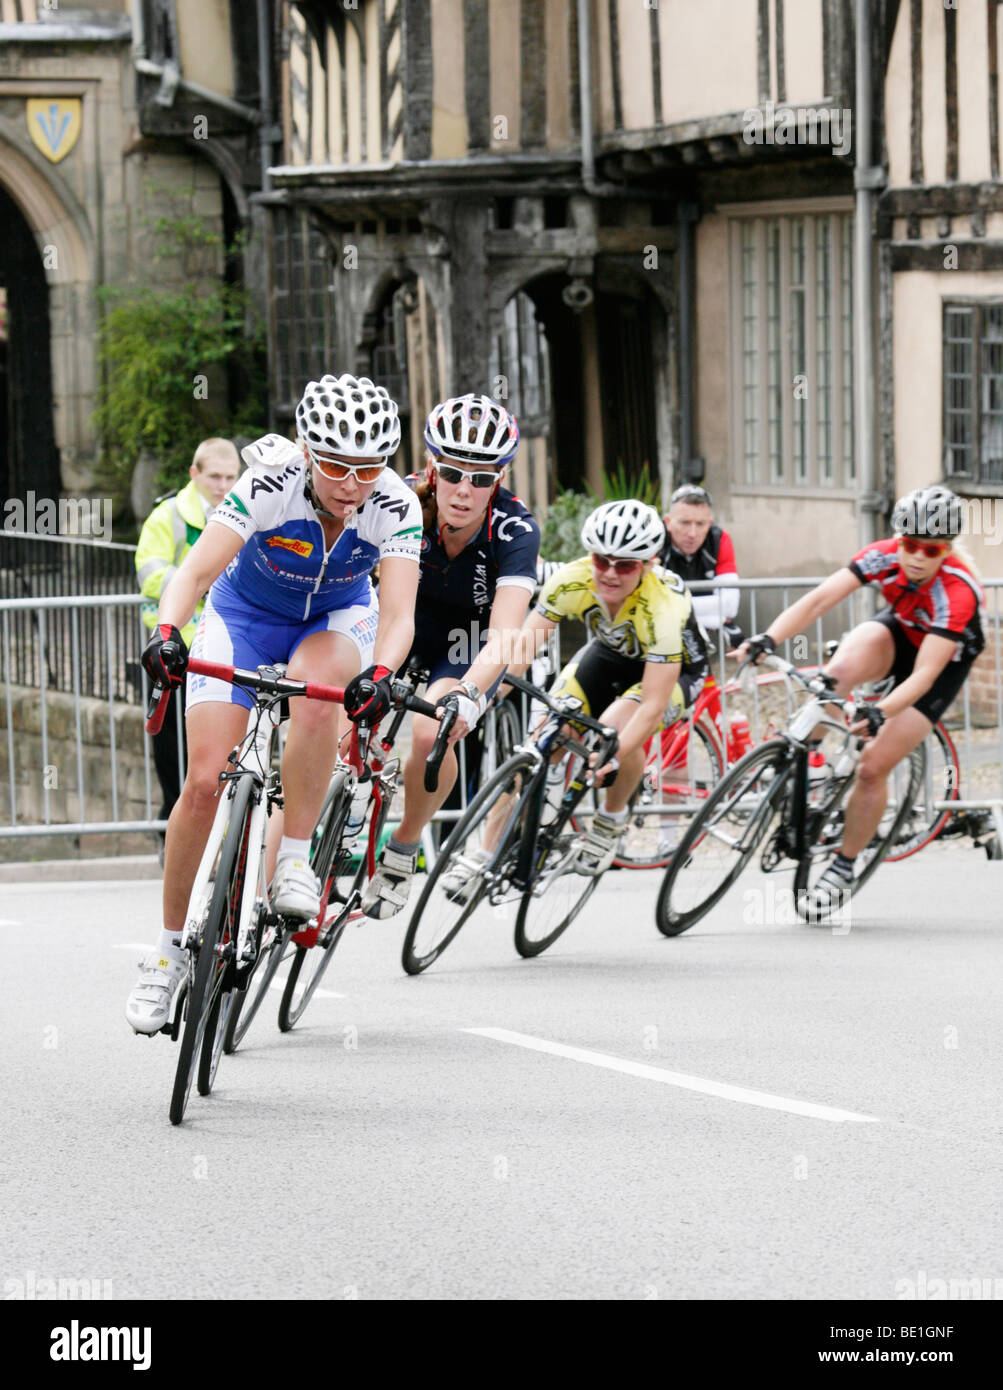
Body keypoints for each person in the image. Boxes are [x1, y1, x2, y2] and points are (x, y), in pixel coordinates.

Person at [125, 374, 422, 1033]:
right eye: (336, 466)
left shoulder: (396, 503)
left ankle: (292, 858)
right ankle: (167, 955)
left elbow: (400, 612)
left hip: (333, 620)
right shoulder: (268, 482)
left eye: (368, 467)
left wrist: (380, 673)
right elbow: (195, 572)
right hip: (243, 617)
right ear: (306, 452)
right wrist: (167, 632)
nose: (353, 484)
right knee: (204, 781)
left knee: (317, 695)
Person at [736, 484, 984, 918]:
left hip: (939, 664)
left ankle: (843, 866)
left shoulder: (958, 590)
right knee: (834, 675)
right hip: (901, 630)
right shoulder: (882, 555)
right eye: (910, 545)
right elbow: (819, 600)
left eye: (931, 550)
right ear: (898, 539)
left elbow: (924, 674)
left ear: (946, 551)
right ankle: (806, 759)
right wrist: (768, 637)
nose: (917, 557)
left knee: (872, 767)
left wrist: (879, 712)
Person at [361, 393, 540, 920]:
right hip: (402, 620)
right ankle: (346, 797)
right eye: (454, 473)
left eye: (481, 478)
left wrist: (467, 694)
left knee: (430, 730)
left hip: (467, 640)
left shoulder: (515, 529)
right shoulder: (400, 499)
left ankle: (403, 846)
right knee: (349, 706)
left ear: (499, 479)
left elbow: (505, 635)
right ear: (432, 467)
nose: (465, 490)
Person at [495, 499, 710, 876]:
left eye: (625, 565)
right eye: (601, 560)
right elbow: (522, 650)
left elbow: (651, 708)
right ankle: (483, 857)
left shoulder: (663, 607)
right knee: (540, 743)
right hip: (611, 654)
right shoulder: (572, 580)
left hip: (674, 671)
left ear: (648, 564)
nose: (610, 573)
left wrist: (614, 754)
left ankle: (610, 821)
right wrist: (486, 693)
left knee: (613, 732)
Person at [135, 438, 242, 846]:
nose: (222, 485)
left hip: (224, 651)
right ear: (194, 474)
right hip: (174, 651)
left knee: (221, 751)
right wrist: (198, 582)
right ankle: (170, 831)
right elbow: (148, 572)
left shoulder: (244, 511)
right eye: (214, 476)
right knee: (171, 751)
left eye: (230, 477)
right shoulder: (168, 515)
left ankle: (220, 839)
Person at [662, 483, 743, 649]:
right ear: (668, 522)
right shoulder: (654, 540)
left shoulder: (719, 539)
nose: (692, 533)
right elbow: (650, 606)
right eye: (685, 523)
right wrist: (716, 618)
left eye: (700, 524)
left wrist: (672, 609)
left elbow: (730, 606)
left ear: (709, 523)